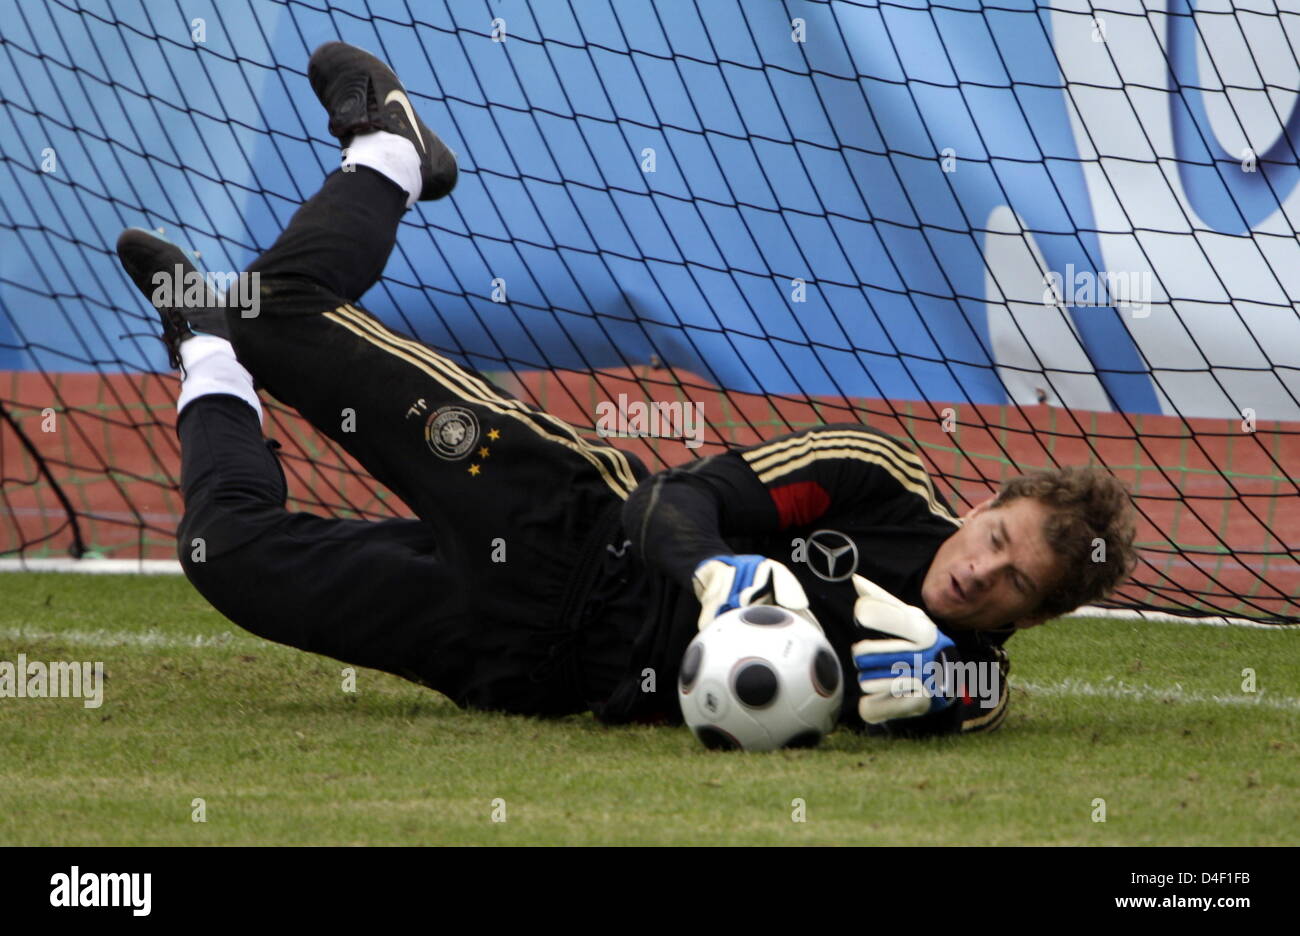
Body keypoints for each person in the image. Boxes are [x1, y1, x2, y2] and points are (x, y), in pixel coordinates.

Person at [115, 41, 1138, 741]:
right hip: (553, 512)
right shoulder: (874, 477)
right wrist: (715, 579)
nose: (982, 575)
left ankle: (206, 353)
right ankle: (391, 149)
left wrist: (920, 686)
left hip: (524, 666)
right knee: (280, 303)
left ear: (1033, 614)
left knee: (230, 561)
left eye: (1016, 585)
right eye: (997, 540)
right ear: (987, 504)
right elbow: (673, 499)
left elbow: (973, 697)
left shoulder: (969, 669)